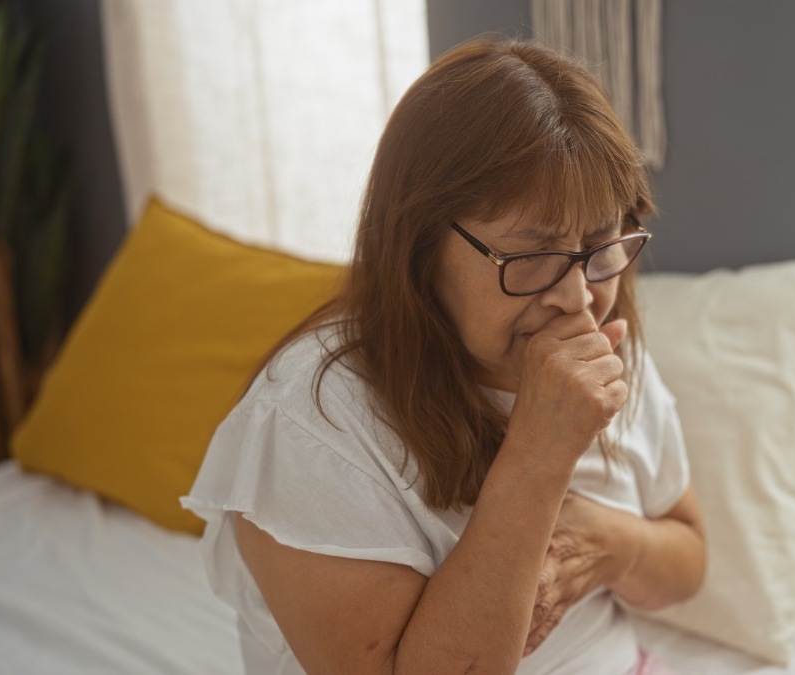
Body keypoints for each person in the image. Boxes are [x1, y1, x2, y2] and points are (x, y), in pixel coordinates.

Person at [182, 37, 706, 675]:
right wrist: (538, 456)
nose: (578, 300)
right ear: (420, 249)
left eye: (601, 242)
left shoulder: (606, 345)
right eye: (531, 255)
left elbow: (688, 560)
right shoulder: (308, 424)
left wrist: (607, 545)